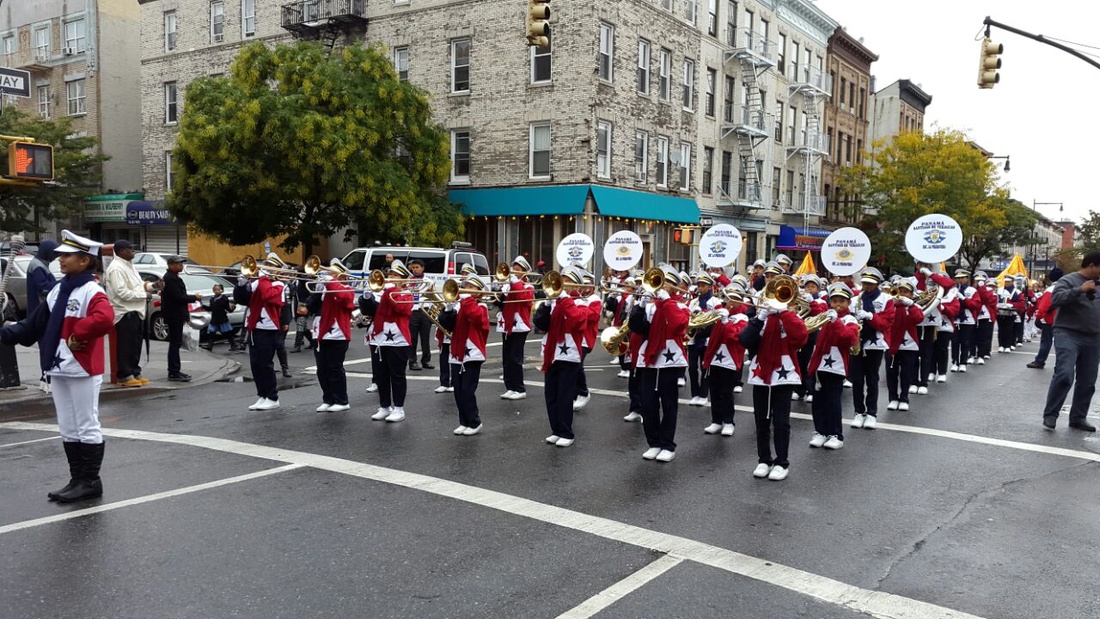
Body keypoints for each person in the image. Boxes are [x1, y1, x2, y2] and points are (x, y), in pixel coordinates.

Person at [1, 230, 114, 502]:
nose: (60, 260)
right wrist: (5, 333)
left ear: (84, 261)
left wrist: (79, 331)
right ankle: (77, 479)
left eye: (67, 256)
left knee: (86, 424)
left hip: (82, 367)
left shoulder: (92, 291)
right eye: (60, 255)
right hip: (58, 366)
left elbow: (104, 318)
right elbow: (33, 326)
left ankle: (90, 481)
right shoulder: (58, 291)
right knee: (68, 426)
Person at [740, 286, 808, 481]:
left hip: (784, 374)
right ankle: (764, 459)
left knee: (781, 421)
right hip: (761, 373)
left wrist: (784, 313)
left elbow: (800, 338)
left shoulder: (791, 318)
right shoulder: (761, 320)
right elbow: (744, 340)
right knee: (761, 420)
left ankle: (781, 462)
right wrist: (760, 317)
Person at [630, 267, 690, 462]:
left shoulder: (679, 306)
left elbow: (678, 325)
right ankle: (653, 442)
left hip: (669, 362)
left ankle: (667, 444)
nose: (661, 286)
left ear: (674, 287)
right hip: (649, 360)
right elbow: (636, 328)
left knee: (669, 405)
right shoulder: (649, 306)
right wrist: (640, 306)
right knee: (648, 404)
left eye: (666, 283)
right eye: (660, 282)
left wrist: (666, 302)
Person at [1040, 252, 1100, 432]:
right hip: (1068, 333)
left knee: (1088, 381)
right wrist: (1080, 290)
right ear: (1092, 265)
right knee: (1064, 374)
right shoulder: (1068, 280)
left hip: (1094, 337)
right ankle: (1051, 414)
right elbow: (1056, 299)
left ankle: (1078, 418)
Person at [533, 267, 587, 447]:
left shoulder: (579, 303)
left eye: (567, 280)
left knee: (564, 395)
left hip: (569, 354)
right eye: (561, 279)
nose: (562, 283)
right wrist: (547, 305)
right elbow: (540, 324)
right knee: (551, 394)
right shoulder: (553, 302)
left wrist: (565, 301)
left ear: (576, 285)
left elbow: (577, 322)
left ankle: (566, 432)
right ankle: (556, 429)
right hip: (551, 353)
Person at [807, 283, 861, 450]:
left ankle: (835, 434)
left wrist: (836, 321)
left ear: (848, 303)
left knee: (833, 401)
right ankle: (820, 432)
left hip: (836, 366)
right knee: (818, 401)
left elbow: (849, 338)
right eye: (835, 301)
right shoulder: (825, 316)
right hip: (819, 364)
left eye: (842, 301)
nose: (838, 304)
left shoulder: (850, 319)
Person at [360, 259, 414, 422]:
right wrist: (367, 295)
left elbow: (401, 308)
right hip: (378, 338)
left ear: (403, 280)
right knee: (381, 375)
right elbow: (369, 310)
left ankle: (399, 409)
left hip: (398, 339)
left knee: (397, 375)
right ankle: (384, 406)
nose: (390, 277)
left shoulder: (407, 294)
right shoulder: (383, 292)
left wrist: (390, 291)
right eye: (390, 274)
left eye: (395, 275)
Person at [234, 254, 287, 411]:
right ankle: (262, 395)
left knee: (265, 363)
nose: (266, 268)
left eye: (270, 266)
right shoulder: (258, 282)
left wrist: (262, 278)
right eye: (266, 265)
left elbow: (269, 296)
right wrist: (241, 285)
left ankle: (272, 397)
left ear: (277, 270)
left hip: (268, 328)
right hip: (254, 325)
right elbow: (243, 299)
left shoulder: (279, 284)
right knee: (255, 364)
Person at [442, 274, 490, 435]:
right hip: (457, 352)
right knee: (458, 390)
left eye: (471, 287)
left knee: (467, 391)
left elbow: (476, 318)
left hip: (473, 353)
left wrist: (466, 299)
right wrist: (448, 309)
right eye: (465, 286)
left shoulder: (481, 307)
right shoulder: (460, 306)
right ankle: (464, 421)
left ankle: (475, 422)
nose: (466, 289)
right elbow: (448, 326)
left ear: (479, 291)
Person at [103, 240, 155, 387]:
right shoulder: (116, 268)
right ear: (121, 251)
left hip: (136, 310)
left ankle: (135, 371)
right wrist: (144, 295)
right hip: (125, 311)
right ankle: (124, 375)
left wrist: (152, 286)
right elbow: (121, 292)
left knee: (135, 344)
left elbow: (139, 285)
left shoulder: (129, 265)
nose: (133, 251)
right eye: (130, 249)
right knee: (126, 345)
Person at [849, 268, 894, 429]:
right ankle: (858, 412)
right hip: (857, 343)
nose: (866, 286)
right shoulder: (854, 300)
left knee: (872, 379)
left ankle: (871, 413)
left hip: (875, 344)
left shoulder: (886, 299)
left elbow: (886, 323)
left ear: (877, 284)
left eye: (870, 284)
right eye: (865, 283)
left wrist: (870, 316)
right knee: (857, 380)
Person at [311, 263, 356, 413]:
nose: (329, 275)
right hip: (320, 332)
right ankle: (328, 398)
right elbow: (310, 307)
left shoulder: (347, 289)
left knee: (334, 368)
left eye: (333, 273)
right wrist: (317, 292)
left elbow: (344, 298)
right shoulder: (325, 289)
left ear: (343, 276)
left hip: (338, 334)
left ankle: (341, 400)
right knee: (321, 369)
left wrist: (330, 282)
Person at [701, 288, 747, 437]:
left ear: (740, 302)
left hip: (729, 360)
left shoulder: (742, 318)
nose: (730, 302)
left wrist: (726, 322)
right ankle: (716, 421)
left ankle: (728, 422)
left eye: (734, 299)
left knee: (726, 392)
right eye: (728, 299)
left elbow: (735, 337)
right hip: (715, 358)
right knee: (714, 391)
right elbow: (708, 332)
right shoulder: (720, 314)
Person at [885, 280, 924, 412]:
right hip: (891, 344)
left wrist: (911, 306)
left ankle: (904, 398)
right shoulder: (890, 306)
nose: (902, 294)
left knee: (906, 373)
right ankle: (893, 398)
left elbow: (918, 319)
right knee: (891, 373)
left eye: (906, 292)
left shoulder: (915, 307)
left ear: (911, 295)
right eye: (900, 291)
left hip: (909, 345)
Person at [499, 256, 534, 400]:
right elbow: (499, 303)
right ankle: (510, 387)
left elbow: (523, 299)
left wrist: (515, 282)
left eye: (517, 269)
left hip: (520, 325)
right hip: (506, 324)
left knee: (515, 358)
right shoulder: (508, 286)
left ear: (524, 272)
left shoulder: (529, 286)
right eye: (513, 268)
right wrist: (499, 291)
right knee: (506, 358)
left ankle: (519, 389)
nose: (513, 271)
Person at [161, 256, 195, 382]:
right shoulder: (170, 278)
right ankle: (174, 372)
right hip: (174, 315)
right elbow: (179, 298)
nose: (181, 266)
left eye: (181, 263)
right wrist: (195, 297)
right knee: (175, 344)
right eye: (179, 264)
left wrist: (185, 316)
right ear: (171, 265)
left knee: (176, 343)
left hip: (176, 315)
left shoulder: (174, 277)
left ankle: (175, 370)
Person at [686, 274, 717, 407]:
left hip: (707, 339)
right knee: (692, 367)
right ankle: (695, 394)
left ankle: (704, 394)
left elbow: (716, 320)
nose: (700, 288)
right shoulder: (693, 302)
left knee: (705, 367)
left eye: (703, 286)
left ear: (710, 287)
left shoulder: (715, 301)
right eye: (698, 285)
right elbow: (688, 318)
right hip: (693, 338)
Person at [1028, 267, 1063, 369]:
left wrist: (1039, 317)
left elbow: (1044, 306)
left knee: (1046, 342)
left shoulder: (1050, 290)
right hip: (1063, 320)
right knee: (1061, 343)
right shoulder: (1066, 288)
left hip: (1050, 320)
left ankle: (1040, 360)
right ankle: (1061, 363)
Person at [406, 259, 434, 371]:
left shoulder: (429, 281)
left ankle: (426, 360)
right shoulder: (408, 281)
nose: (415, 270)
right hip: (413, 310)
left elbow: (433, 297)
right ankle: (412, 361)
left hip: (425, 310)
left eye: (417, 267)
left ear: (422, 268)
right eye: (413, 268)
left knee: (425, 338)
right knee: (412, 338)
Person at [199, 284, 238, 351]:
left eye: (218, 290)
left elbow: (228, 308)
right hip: (214, 318)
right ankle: (210, 346)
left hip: (222, 319)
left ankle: (233, 344)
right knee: (211, 333)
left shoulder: (224, 299)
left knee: (227, 333)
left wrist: (232, 308)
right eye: (215, 290)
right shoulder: (212, 299)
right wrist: (203, 306)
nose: (216, 291)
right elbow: (211, 308)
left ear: (222, 290)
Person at [25, 239, 59, 316]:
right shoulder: (37, 266)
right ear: (47, 252)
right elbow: (44, 288)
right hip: (39, 309)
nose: (55, 257)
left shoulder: (41, 264)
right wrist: (62, 282)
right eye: (54, 254)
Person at [996, 276, 1026, 353]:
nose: (1007, 283)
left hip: (1011, 313)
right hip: (1000, 312)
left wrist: (1012, 305)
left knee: (1009, 329)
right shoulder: (999, 290)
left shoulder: (1017, 292)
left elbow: (1022, 303)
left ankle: (1007, 345)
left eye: (1008, 282)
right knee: (1001, 329)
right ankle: (1001, 345)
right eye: (1006, 282)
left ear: (1012, 282)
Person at [292, 273, 315, 353]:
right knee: (303, 326)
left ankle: (297, 345)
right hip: (296, 304)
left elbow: (301, 279)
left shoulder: (306, 281)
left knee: (300, 324)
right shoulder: (295, 281)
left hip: (304, 304)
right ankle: (313, 341)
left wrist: (299, 272)